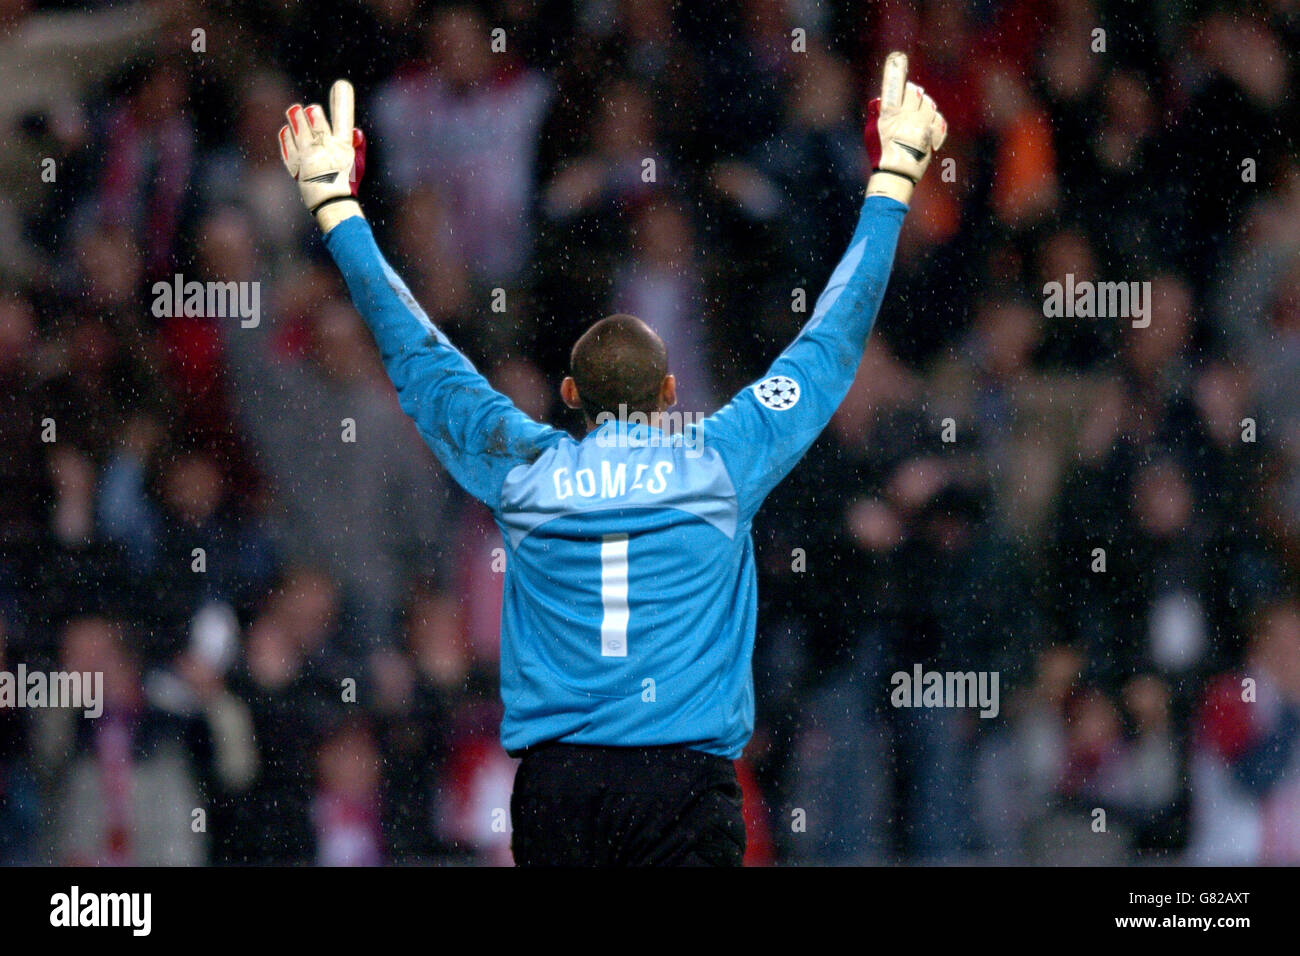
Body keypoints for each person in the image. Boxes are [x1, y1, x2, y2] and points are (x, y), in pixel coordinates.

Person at [276, 53, 946, 866]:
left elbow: (419, 355)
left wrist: (335, 205)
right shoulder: (722, 461)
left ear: (568, 393)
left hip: (563, 789)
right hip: (684, 784)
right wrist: (895, 178)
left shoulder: (526, 472)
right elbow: (832, 340)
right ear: (669, 393)